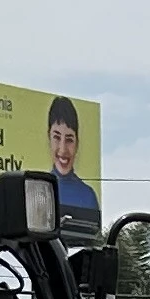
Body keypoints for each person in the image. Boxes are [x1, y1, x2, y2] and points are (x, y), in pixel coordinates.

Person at [44, 92, 99, 238]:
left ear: (77, 143)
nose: (63, 149)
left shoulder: (88, 196)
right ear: (48, 137)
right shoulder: (37, 191)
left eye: (69, 139)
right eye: (56, 137)